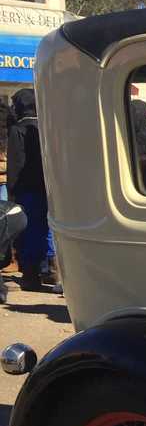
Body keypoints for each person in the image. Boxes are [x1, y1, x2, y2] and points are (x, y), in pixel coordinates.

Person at [7, 88, 56, 292]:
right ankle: (53, 270)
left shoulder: (18, 130)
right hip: (50, 187)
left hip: (27, 188)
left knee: (30, 230)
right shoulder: (47, 127)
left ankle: (31, 274)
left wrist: (12, 191)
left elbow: (16, 164)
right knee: (49, 228)